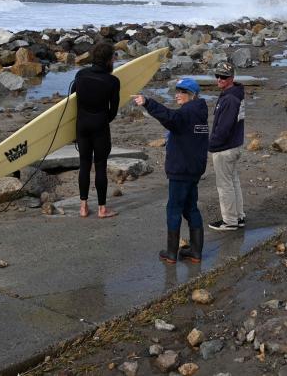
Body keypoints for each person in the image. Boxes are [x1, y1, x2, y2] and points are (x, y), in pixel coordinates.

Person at [134, 79, 209, 264]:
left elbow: (169, 117)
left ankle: (171, 253)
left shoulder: (187, 112)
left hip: (181, 171)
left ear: (192, 95)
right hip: (194, 171)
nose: (177, 94)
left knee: (173, 209)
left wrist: (147, 102)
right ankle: (195, 252)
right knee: (191, 208)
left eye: (181, 92)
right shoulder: (199, 112)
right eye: (177, 91)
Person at [73, 42, 120, 219]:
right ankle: (102, 209)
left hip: (82, 126)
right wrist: (101, 120)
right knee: (100, 166)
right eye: (114, 58)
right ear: (109, 60)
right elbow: (113, 110)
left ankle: (83, 207)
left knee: (84, 165)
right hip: (100, 126)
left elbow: (72, 101)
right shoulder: (112, 81)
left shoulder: (80, 75)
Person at [208, 61, 246, 232]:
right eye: (217, 76)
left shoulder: (230, 98)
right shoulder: (234, 94)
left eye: (223, 77)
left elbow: (224, 128)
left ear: (232, 78)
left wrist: (212, 144)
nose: (219, 79)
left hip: (225, 148)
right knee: (232, 181)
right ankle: (238, 216)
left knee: (225, 186)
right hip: (234, 145)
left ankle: (230, 221)